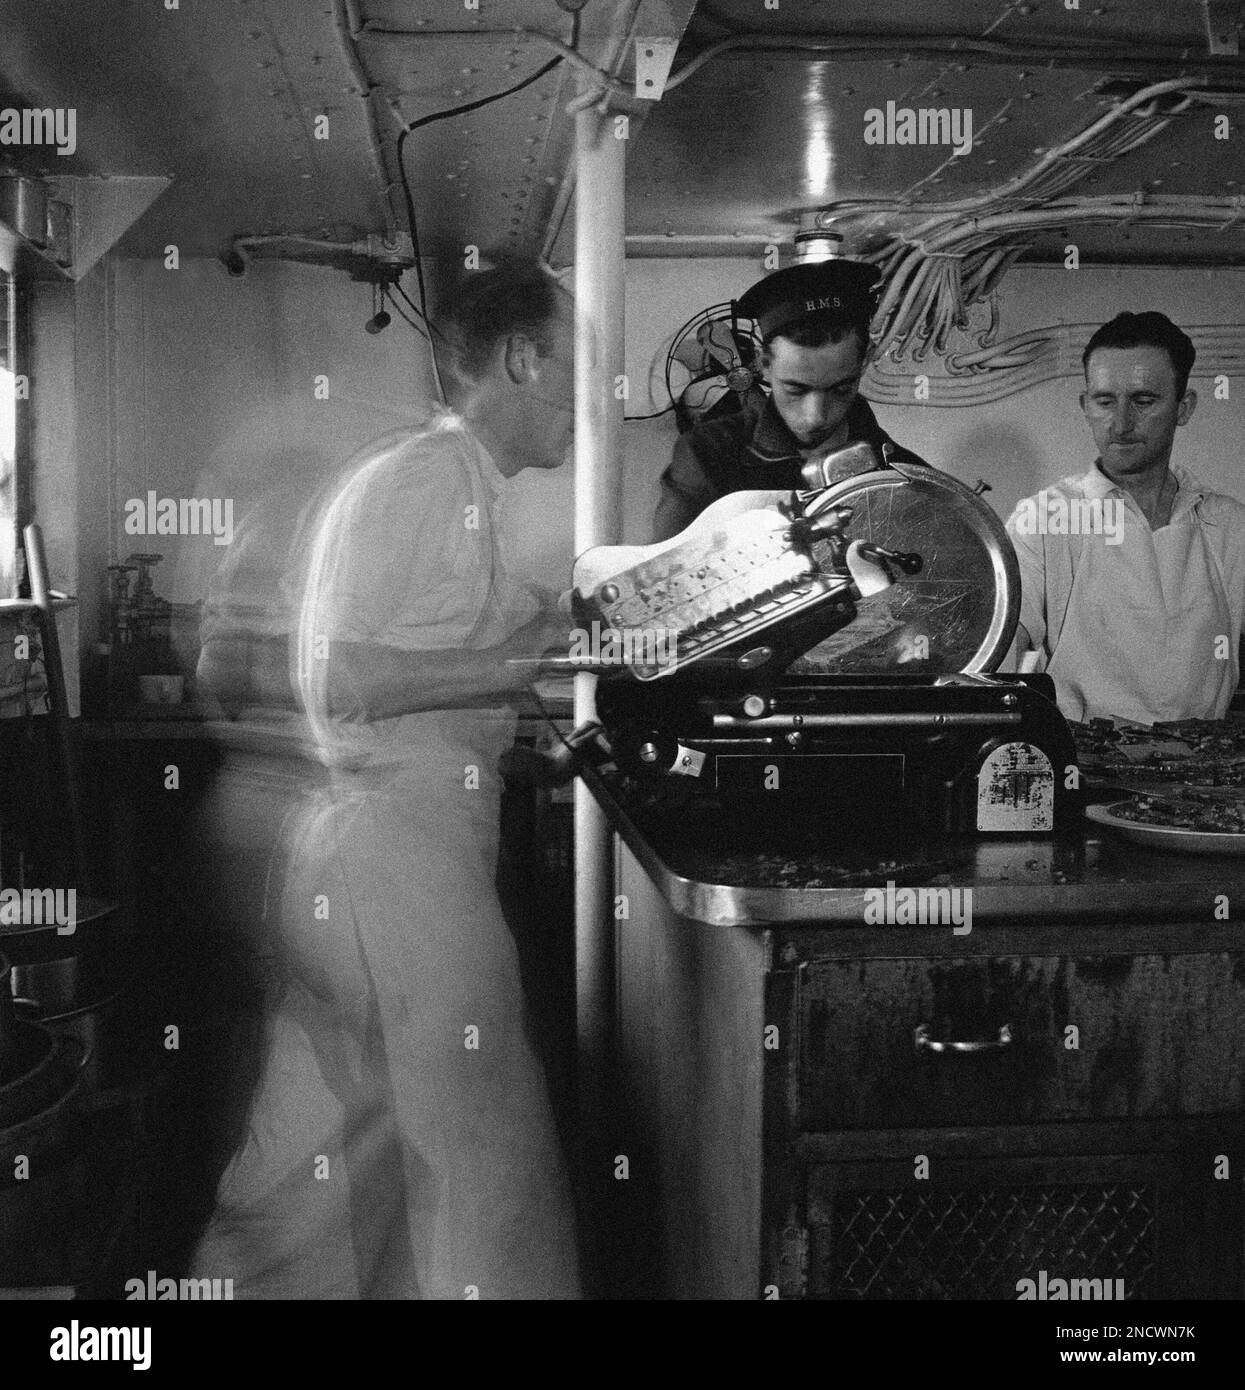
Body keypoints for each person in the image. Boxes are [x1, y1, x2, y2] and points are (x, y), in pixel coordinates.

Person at [189, 254, 581, 1298]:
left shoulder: (455, 484)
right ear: (522, 358)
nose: (588, 396)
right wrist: (519, 662)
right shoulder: (427, 477)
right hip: (396, 869)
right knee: (484, 1156)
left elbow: (418, 669)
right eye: (575, 364)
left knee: (304, 1168)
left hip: (360, 861)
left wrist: (520, 704)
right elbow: (331, 673)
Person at [1006, 311, 1245, 726]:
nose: (1121, 423)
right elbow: (1001, 652)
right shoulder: (1041, 520)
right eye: (1104, 401)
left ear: (1184, 407)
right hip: (1081, 759)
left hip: (1205, 762)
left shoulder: (1231, 526)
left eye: (1143, 401)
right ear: (1085, 406)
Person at [652, 259, 930, 541]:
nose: (815, 417)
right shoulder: (707, 456)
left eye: (840, 389)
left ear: (866, 360)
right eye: (796, 390)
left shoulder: (910, 480)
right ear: (763, 364)